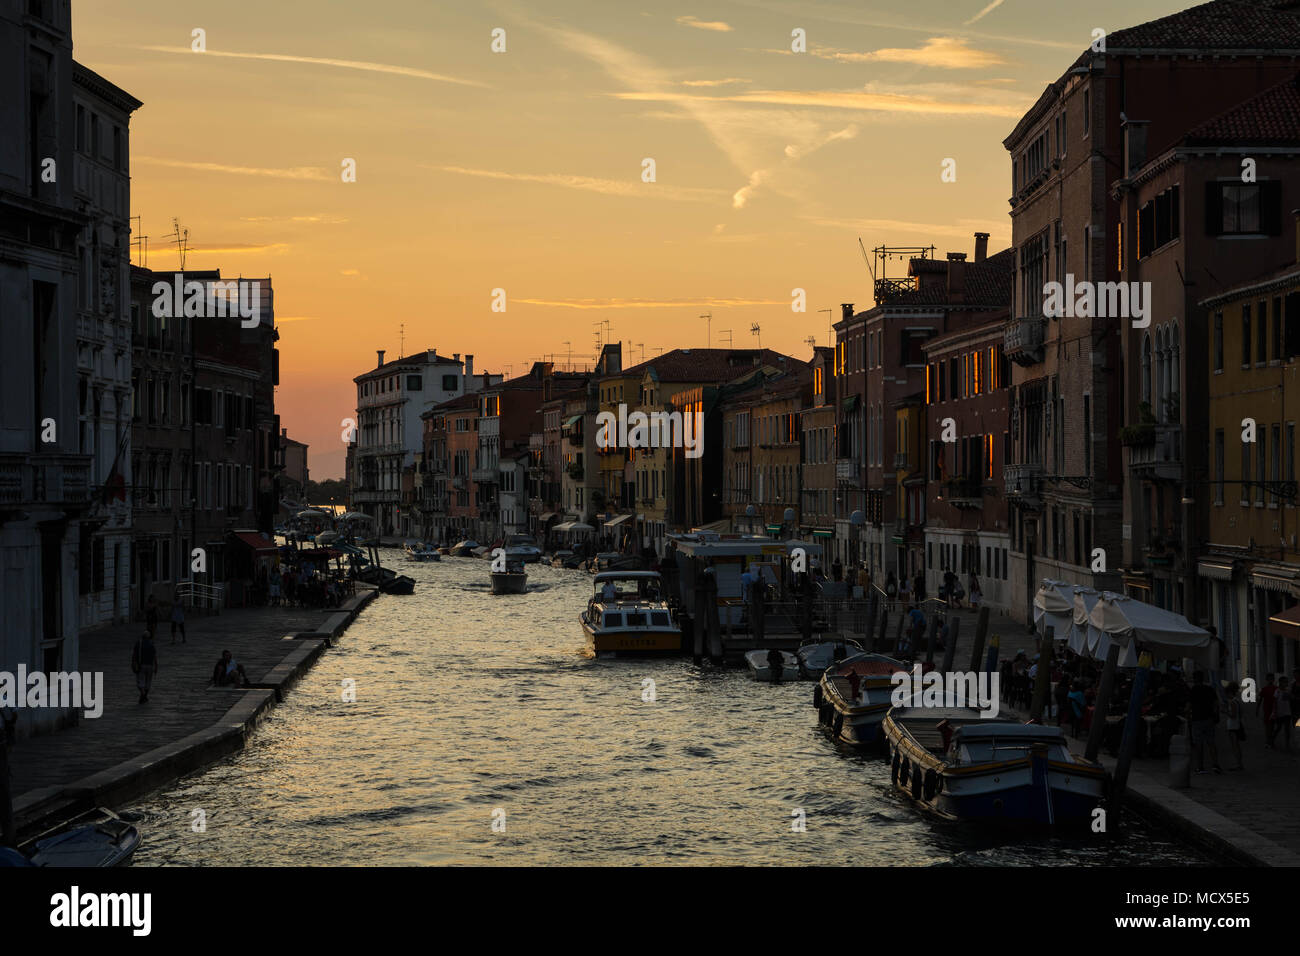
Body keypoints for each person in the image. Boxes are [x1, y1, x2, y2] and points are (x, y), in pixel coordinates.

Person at [1187, 670, 1222, 774]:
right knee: (1211, 742)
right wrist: (1215, 715)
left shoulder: (1193, 690)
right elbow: (1216, 703)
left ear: (1194, 679)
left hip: (1197, 719)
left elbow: (1189, 706)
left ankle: (1200, 766)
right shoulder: (1210, 689)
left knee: (1199, 744)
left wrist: (1188, 714)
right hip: (1209, 718)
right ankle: (1215, 764)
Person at [131, 631, 158, 704]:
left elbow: (134, 655)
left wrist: (133, 663)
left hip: (141, 665)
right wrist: (156, 666)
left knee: (140, 682)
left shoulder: (138, 643)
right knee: (148, 682)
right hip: (150, 665)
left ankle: (143, 695)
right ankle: (144, 696)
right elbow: (155, 656)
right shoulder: (152, 643)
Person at [1223, 681, 1245, 771]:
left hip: (1233, 726)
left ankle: (1238, 764)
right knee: (1236, 746)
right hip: (1236, 725)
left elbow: (1233, 715)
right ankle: (1239, 763)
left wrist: (1225, 711)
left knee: (1235, 746)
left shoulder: (1233, 702)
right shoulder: (1236, 701)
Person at [1274, 677, 1293, 752]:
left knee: (1287, 729)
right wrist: (1275, 712)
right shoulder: (1277, 691)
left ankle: (1287, 744)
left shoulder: (1288, 690)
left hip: (1287, 712)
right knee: (1278, 728)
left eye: (1286, 682)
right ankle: (1272, 739)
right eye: (1284, 682)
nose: (1286, 684)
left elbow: (1291, 700)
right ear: (1280, 682)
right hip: (1280, 713)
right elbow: (1275, 703)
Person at [1259, 673, 1278, 749]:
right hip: (1266, 710)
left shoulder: (1276, 689)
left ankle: (1271, 741)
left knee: (1272, 726)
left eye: (1271, 679)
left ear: (1273, 680)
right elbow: (1260, 699)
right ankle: (1268, 741)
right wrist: (1257, 709)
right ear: (1266, 680)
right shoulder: (1264, 689)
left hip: (1274, 710)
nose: (1270, 680)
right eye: (1269, 679)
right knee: (1267, 727)